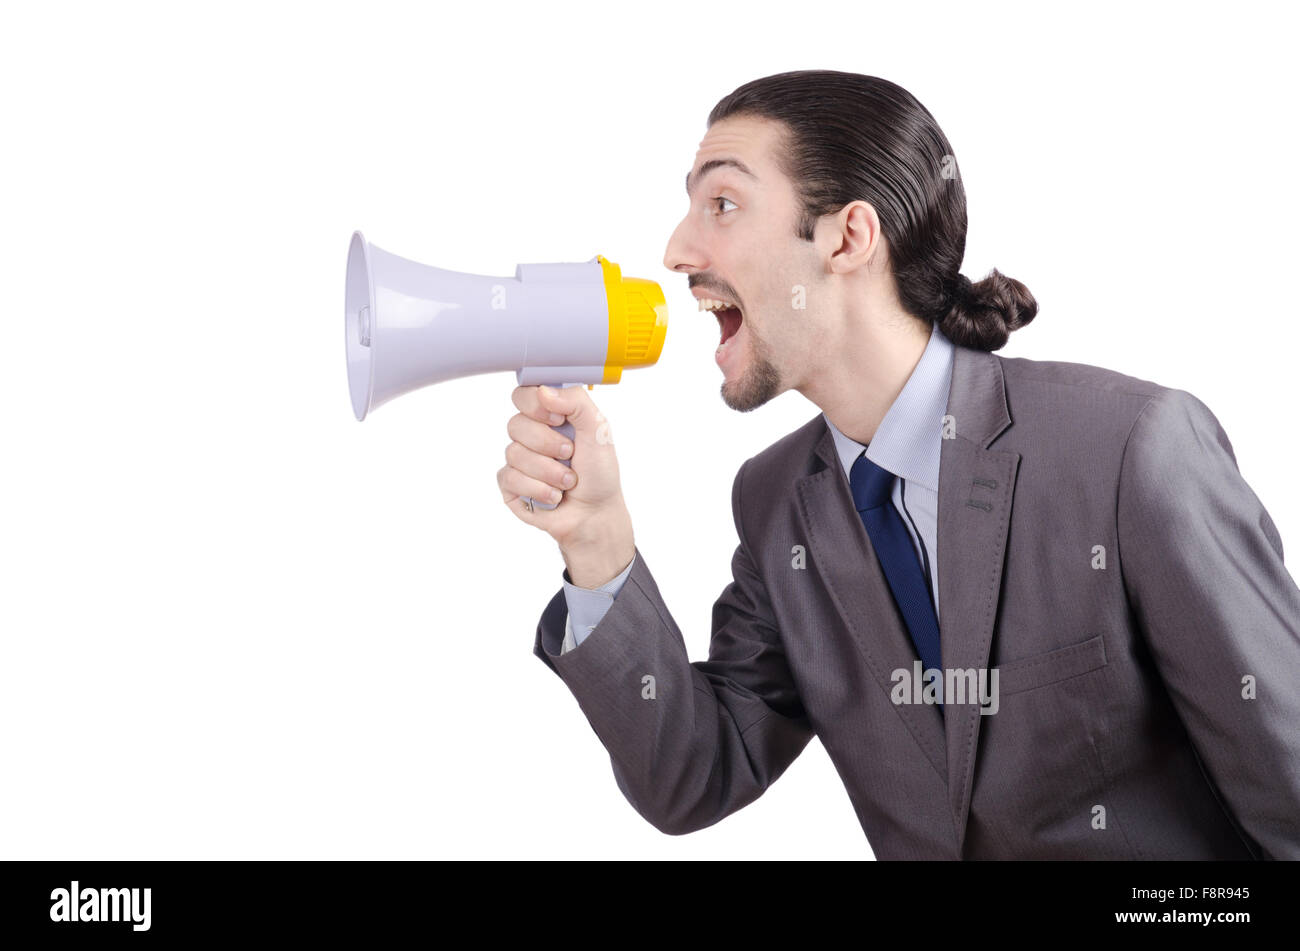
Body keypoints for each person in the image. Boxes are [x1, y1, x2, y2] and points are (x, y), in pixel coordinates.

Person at [496, 70, 1300, 859]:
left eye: (724, 204)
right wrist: (598, 541)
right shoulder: (779, 504)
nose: (676, 249)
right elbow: (695, 772)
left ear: (848, 237)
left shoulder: (1129, 451)